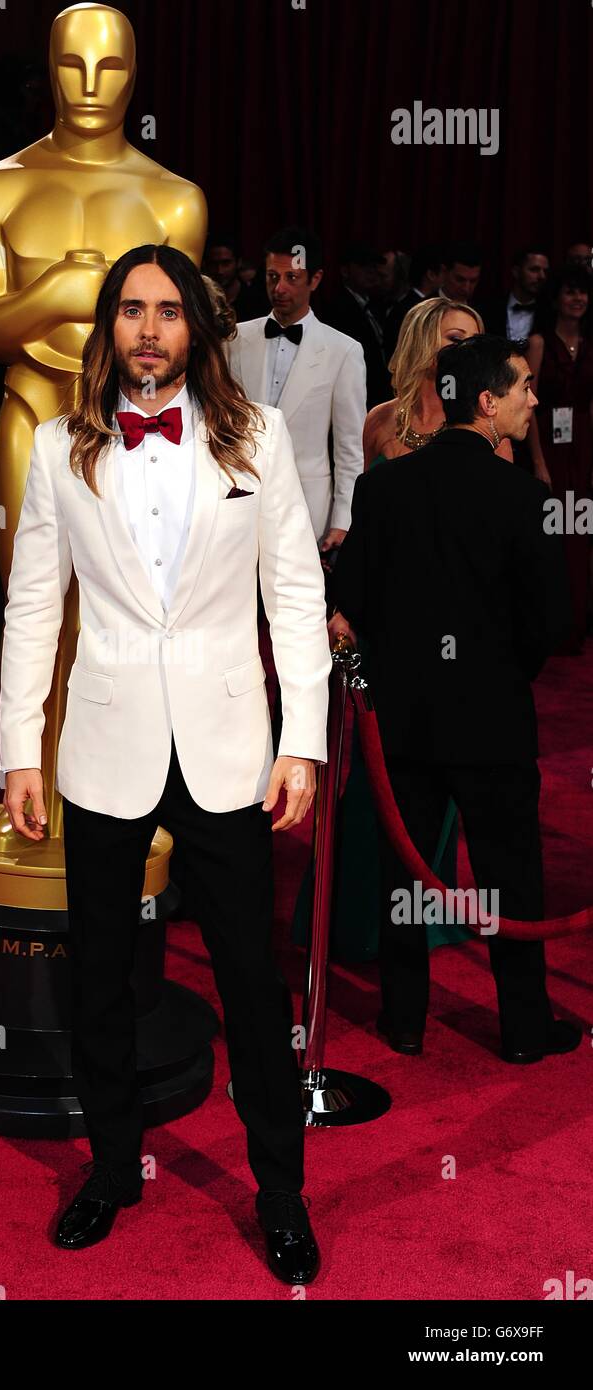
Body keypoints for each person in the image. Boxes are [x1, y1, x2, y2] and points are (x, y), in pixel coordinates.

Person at [0, 243, 331, 1283]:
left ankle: (279, 1190)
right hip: (102, 744)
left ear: (197, 327)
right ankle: (110, 1167)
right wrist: (19, 747)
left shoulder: (258, 438)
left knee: (249, 981)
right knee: (100, 976)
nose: (148, 329)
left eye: (167, 311)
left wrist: (301, 738)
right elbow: (31, 606)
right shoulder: (59, 447)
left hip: (230, 746)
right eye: (130, 311)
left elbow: (293, 594)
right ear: (108, 330)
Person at [331, 335, 580, 1064]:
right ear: (486, 402)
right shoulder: (524, 498)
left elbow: (355, 599)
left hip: (402, 722)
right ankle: (524, 1030)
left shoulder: (382, 488)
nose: (533, 400)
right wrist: (499, 673)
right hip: (493, 722)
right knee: (510, 879)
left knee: (404, 871)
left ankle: (402, 1020)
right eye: (523, 388)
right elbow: (553, 625)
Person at [294, 296, 511, 959]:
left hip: (452, 632)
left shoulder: (487, 428)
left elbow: (493, 545)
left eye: (472, 340)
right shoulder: (380, 423)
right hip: (382, 628)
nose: (463, 351)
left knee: (437, 783)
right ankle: (353, 925)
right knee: (374, 779)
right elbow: (361, 529)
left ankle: (422, 920)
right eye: (452, 338)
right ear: (421, 341)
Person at [226, 225, 365, 548]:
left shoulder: (343, 351)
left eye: (292, 278)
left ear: (315, 279)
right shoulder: (234, 340)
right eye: (273, 276)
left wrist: (343, 519)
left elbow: (349, 447)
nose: (280, 288)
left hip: (306, 505)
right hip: (239, 498)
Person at [525, 263, 593, 652]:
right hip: (547, 444)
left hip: (581, 447)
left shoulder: (590, 343)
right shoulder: (537, 342)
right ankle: (548, 624)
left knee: (579, 533)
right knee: (551, 533)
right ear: (555, 298)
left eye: (583, 292)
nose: (578, 299)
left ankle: (577, 624)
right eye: (570, 292)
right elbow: (528, 405)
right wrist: (537, 461)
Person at [319, 240, 390, 406]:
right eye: (364, 266)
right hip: (355, 393)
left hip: (377, 393)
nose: (371, 272)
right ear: (345, 270)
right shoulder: (338, 308)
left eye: (374, 267)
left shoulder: (376, 304)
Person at [479, 245, 550, 341]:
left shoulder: (549, 312)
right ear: (516, 272)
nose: (542, 276)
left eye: (545, 271)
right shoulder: (490, 308)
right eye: (534, 270)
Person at [202, 233, 267, 321]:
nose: (219, 271)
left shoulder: (255, 300)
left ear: (238, 262)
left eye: (226, 263)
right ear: (205, 265)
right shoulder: (200, 301)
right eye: (213, 264)